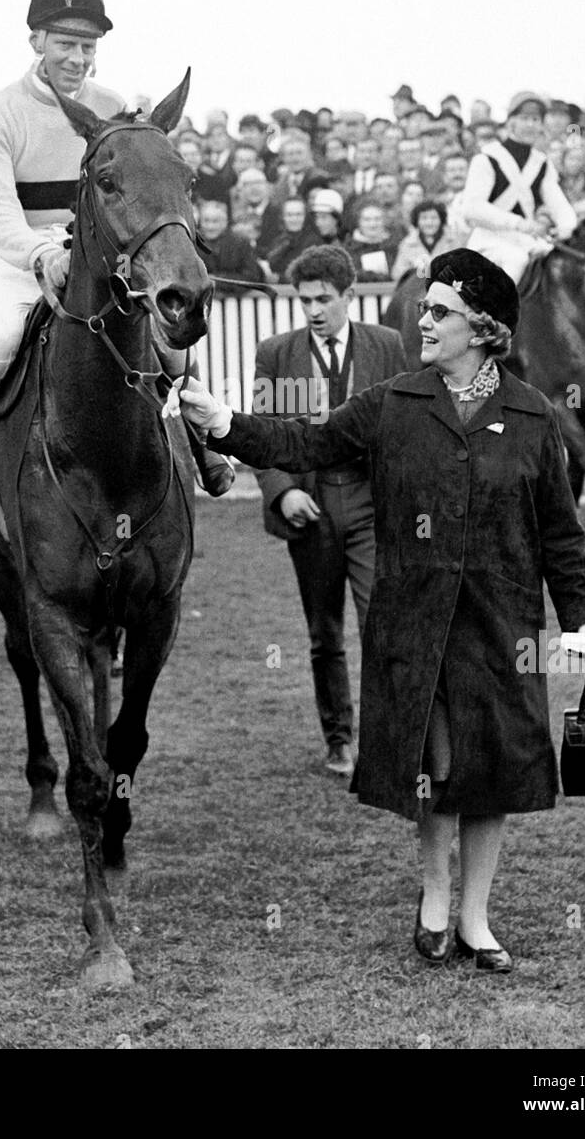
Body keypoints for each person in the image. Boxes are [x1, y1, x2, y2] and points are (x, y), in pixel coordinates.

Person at [171, 247, 585, 971]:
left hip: (501, 626)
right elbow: (308, 440)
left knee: (493, 770)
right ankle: (435, 898)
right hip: (415, 620)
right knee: (439, 764)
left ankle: (476, 919)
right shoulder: (395, 402)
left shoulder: (534, 416)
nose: (424, 319)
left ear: (482, 329)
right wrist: (225, 422)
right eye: (425, 307)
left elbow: (562, 539)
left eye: (439, 311)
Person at [0, 0, 233, 530]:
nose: (77, 57)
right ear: (37, 43)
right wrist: (41, 256)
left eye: (87, 47)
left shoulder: (110, 105)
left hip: (96, 255)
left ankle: (198, 438)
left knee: (163, 338)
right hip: (19, 257)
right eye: (65, 43)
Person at [245, 245, 406, 775]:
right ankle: (339, 739)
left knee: (379, 624)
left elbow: (409, 428)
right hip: (309, 508)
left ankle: (384, 741)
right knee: (324, 634)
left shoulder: (388, 346)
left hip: (369, 505)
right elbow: (263, 437)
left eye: (324, 299)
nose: (314, 310)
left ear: (348, 296)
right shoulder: (276, 354)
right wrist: (282, 491)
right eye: (305, 300)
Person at [461, 91, 577, 285]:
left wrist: (568, 229)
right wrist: (520, 224)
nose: (530, 125)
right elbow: (472, 208)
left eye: (535, 119)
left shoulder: (542, 163)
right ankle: (492, 316)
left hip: (527, 241)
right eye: (524, 118)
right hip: (489, 240)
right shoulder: (487, 159)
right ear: (511, 122)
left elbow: (559, 206)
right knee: (516, 260)